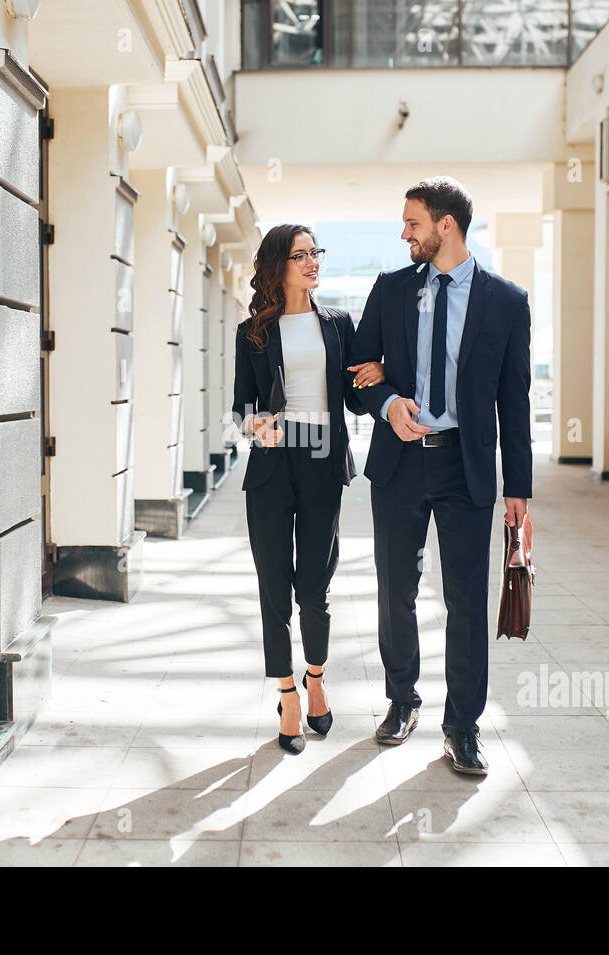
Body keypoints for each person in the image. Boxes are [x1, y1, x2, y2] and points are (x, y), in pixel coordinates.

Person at [346, 177, 534, 774]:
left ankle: (463, 726)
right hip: (399, 464)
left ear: (445, 225)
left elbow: (517, 402)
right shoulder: (392, 290)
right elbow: (357, 380)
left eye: (413, 223)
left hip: (466, 467)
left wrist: (519, 490)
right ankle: (402, 702)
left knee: (466, 601)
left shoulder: (506, 302)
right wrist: (388, 403)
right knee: (395, 591)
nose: (404, 233)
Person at [232, 224, 384, 755]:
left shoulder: (339, 323)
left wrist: (380, 379)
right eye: (301, 255)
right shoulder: (251, 330)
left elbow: (354, 397)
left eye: (315, 252)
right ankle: (287, 694)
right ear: (278, 264)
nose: (312, 261)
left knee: (314, 586)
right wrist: (257, 426)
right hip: (272, 464)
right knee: (274, 589)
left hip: (321, 458)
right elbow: (241, 407)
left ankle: (316, 677)